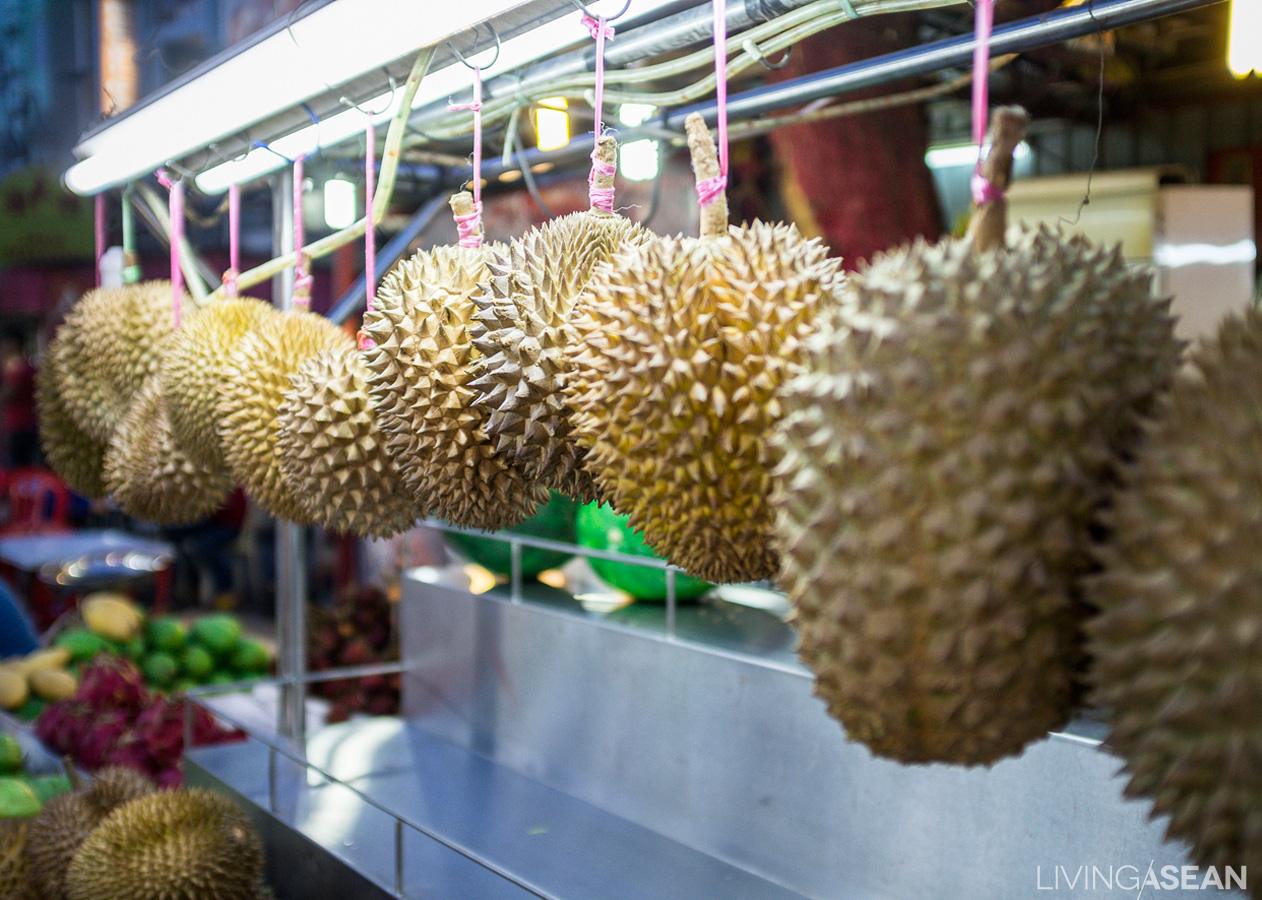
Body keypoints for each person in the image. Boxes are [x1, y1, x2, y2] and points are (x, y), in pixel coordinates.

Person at [0, 332, 39, 470]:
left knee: (20, 469)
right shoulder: (27, 366)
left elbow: (8, 395)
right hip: (26, 426)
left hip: (21, 428)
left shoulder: (17, 368)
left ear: (14, 343)